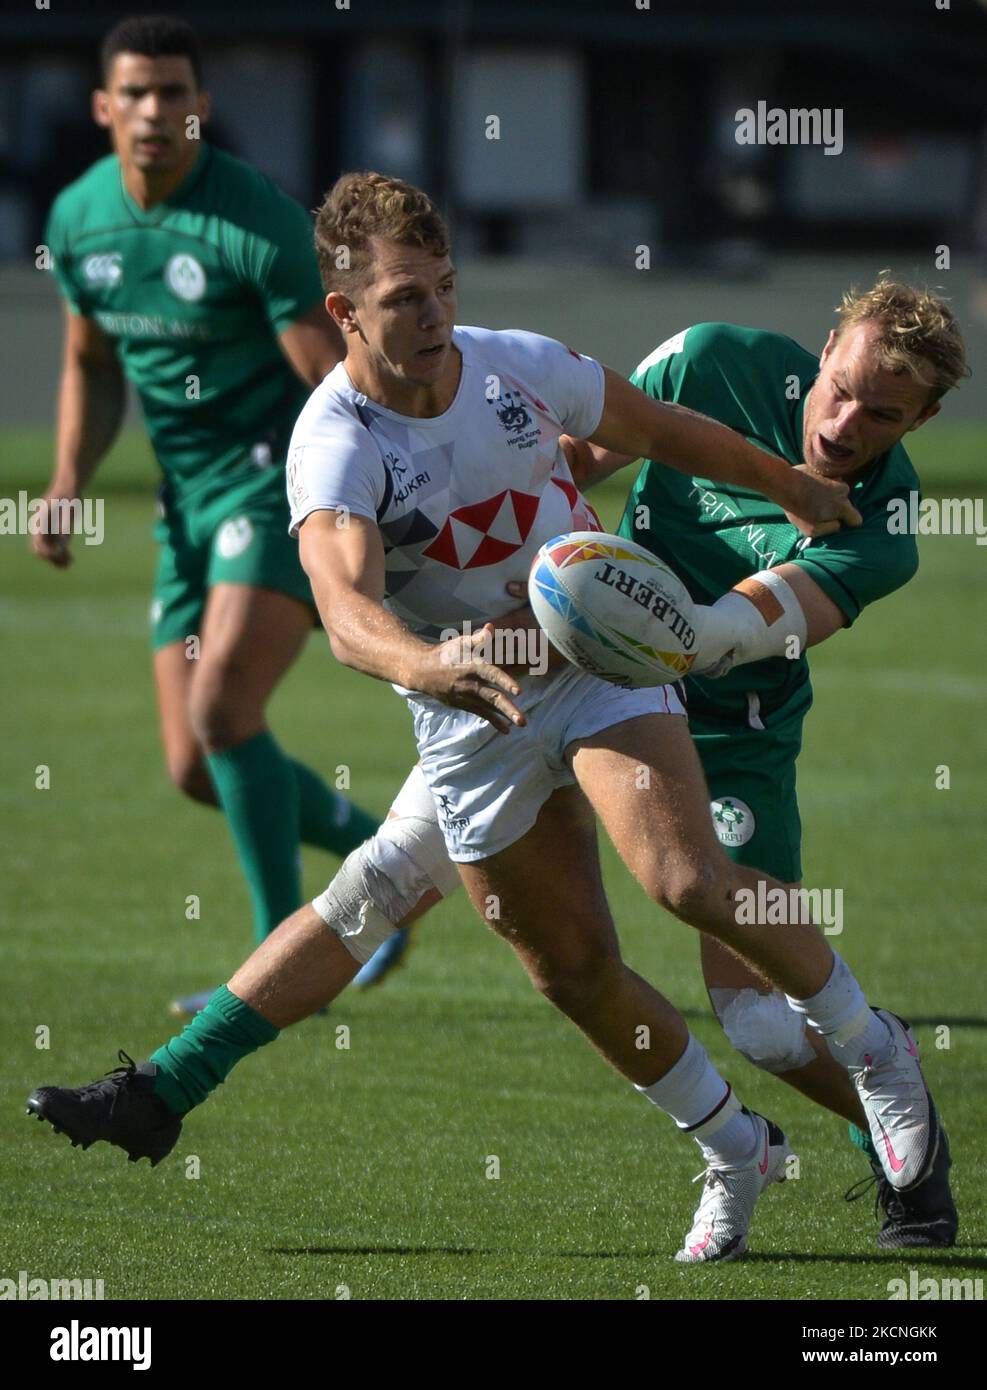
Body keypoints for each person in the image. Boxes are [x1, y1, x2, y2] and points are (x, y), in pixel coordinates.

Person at [28, 173, 940, 1267]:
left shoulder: (519, 364)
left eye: (445, 287)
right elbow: (347, 610)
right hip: (462, 705)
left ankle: (874, 1054)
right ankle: (733, 1146)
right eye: (407, 297)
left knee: (682, 879)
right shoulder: (335, 443)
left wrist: (786, 490)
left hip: (598, 664)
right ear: (345, 315)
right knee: (565, 968)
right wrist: (433, 662)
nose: (435, 316)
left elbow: (661, 428)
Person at [336, 282, 967, 1250]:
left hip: (733, 727)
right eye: (839, 388)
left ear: (924, 418)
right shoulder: (709, 361)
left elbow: (727, 630)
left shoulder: (888, 524)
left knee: (756, 1022)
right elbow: (585, 456)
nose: (846, 424)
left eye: (884, 414)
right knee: (437, 889)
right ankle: (831, 1137)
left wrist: (604, 617)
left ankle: (893, 1110)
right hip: (601, 689)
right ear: (828, 343)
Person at [33, 16, 377, 1013]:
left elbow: (329, 379)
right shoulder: (78, 218)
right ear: (104, 107)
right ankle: (378, 858)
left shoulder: (253, 218)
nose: (154, 111)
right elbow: (90, 366)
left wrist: (375, 496)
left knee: (224, 710)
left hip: (272, 484)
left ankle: (281, 967)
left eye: (173, 92)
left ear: (201, 107)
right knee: (194, 761)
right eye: (134, 93)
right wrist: (65, 481)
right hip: (182, 502)